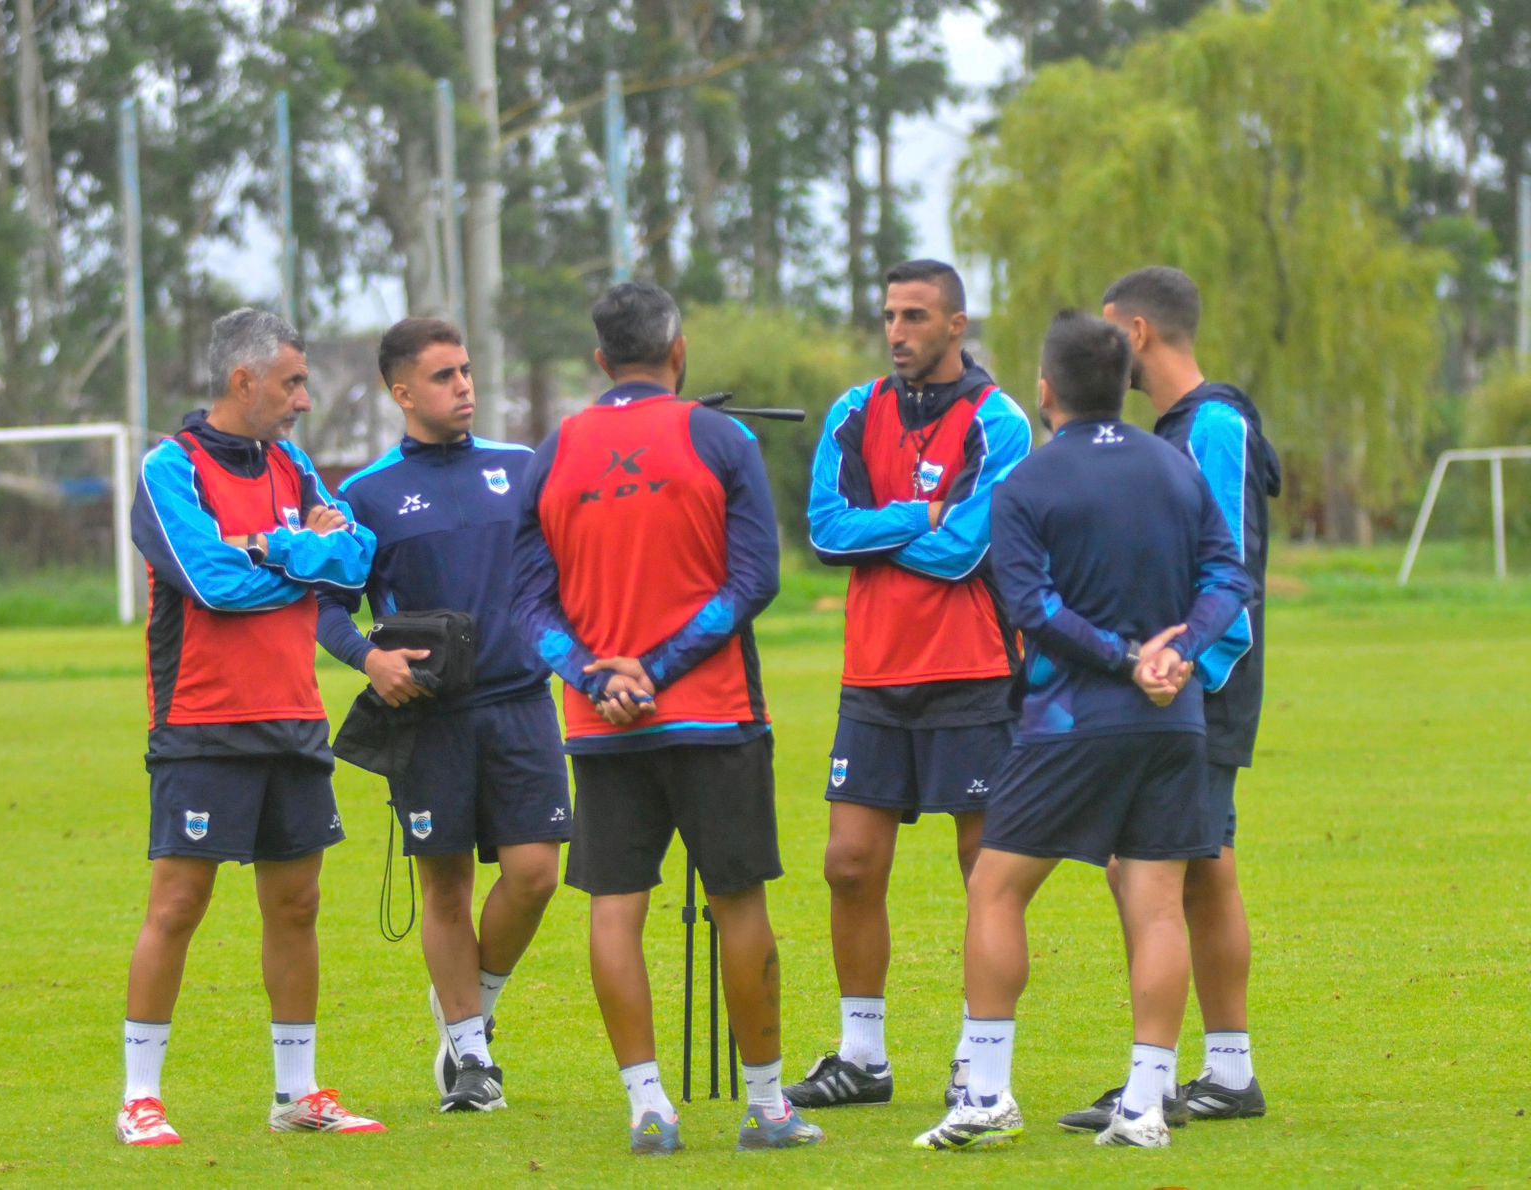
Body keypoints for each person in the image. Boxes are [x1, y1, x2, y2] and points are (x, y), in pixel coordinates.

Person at [912, 311, 1252, 1152]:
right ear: (1123, 380)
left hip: (1069, 726)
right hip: (1174, 723)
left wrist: (1127, 657)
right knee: (1157, 904)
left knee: (996, 889)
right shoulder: (1174, 467)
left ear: (1046, 388)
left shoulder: (1026, 482)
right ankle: (1144, 1106)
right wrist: (1179, 655)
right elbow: (1228, 573)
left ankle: (986, 1094)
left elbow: (1032, 608)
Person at [510, 281, 823, 1156]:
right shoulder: (720, 437)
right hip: (713, 716)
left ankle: (649, 1107)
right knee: (738, 901)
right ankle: (767, 1108)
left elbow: (528, 609)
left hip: (600, 725)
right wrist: (661, 668)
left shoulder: (554, 450)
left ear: (601, 360)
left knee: (615, 910)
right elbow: (754, 580)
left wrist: (596, 676)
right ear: (678, 352)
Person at [119, 308, 383, 1146]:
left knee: (297, 904)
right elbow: (212, 583)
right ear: (245, 381)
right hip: (203, 721)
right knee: (179, 903)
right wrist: (295, 553)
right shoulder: (170, 469)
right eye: (293, 382)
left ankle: (296, 1094)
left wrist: (274, 550)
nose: (304, 399)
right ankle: (139, 1098)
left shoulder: (296, 465)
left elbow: (357, 555)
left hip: (295, 718)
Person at [791, 259, 1031, 1109]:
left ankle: (978, 1057)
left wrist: (885, 528)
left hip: (973, 670)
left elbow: (968, 548)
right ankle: (863, 1058)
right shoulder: (854, 414)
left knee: (984, 869)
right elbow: (823, 531)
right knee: (849, 864)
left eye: (917, 317)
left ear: (957, 325)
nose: (898, 332)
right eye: (891, 315)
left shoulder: (1000, 423)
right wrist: (919, 515)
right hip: (875, 676)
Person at [317, 319, 570, 1114]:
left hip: (523, 704)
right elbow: (325, 611)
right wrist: (370, 660)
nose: (464, 386)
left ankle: (469, 1010)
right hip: (430, 719)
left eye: (465, 371)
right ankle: (472, 1061)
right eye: (442, 376)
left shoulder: (522, 468)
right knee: (447, 887)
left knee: (535, 874)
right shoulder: (363, 496)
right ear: (401, 393)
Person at [1052, 267, 1281, 1131]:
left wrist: (1184, 664)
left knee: (1147, 872)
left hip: (1198, 686)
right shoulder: (1175, 430)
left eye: (1113, 336)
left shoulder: (1214, 425)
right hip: (1172, 684)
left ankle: (1159, 1081)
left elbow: (1230, 573)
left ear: (1139, 333)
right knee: (1201, 872)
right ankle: (1226, 1074)